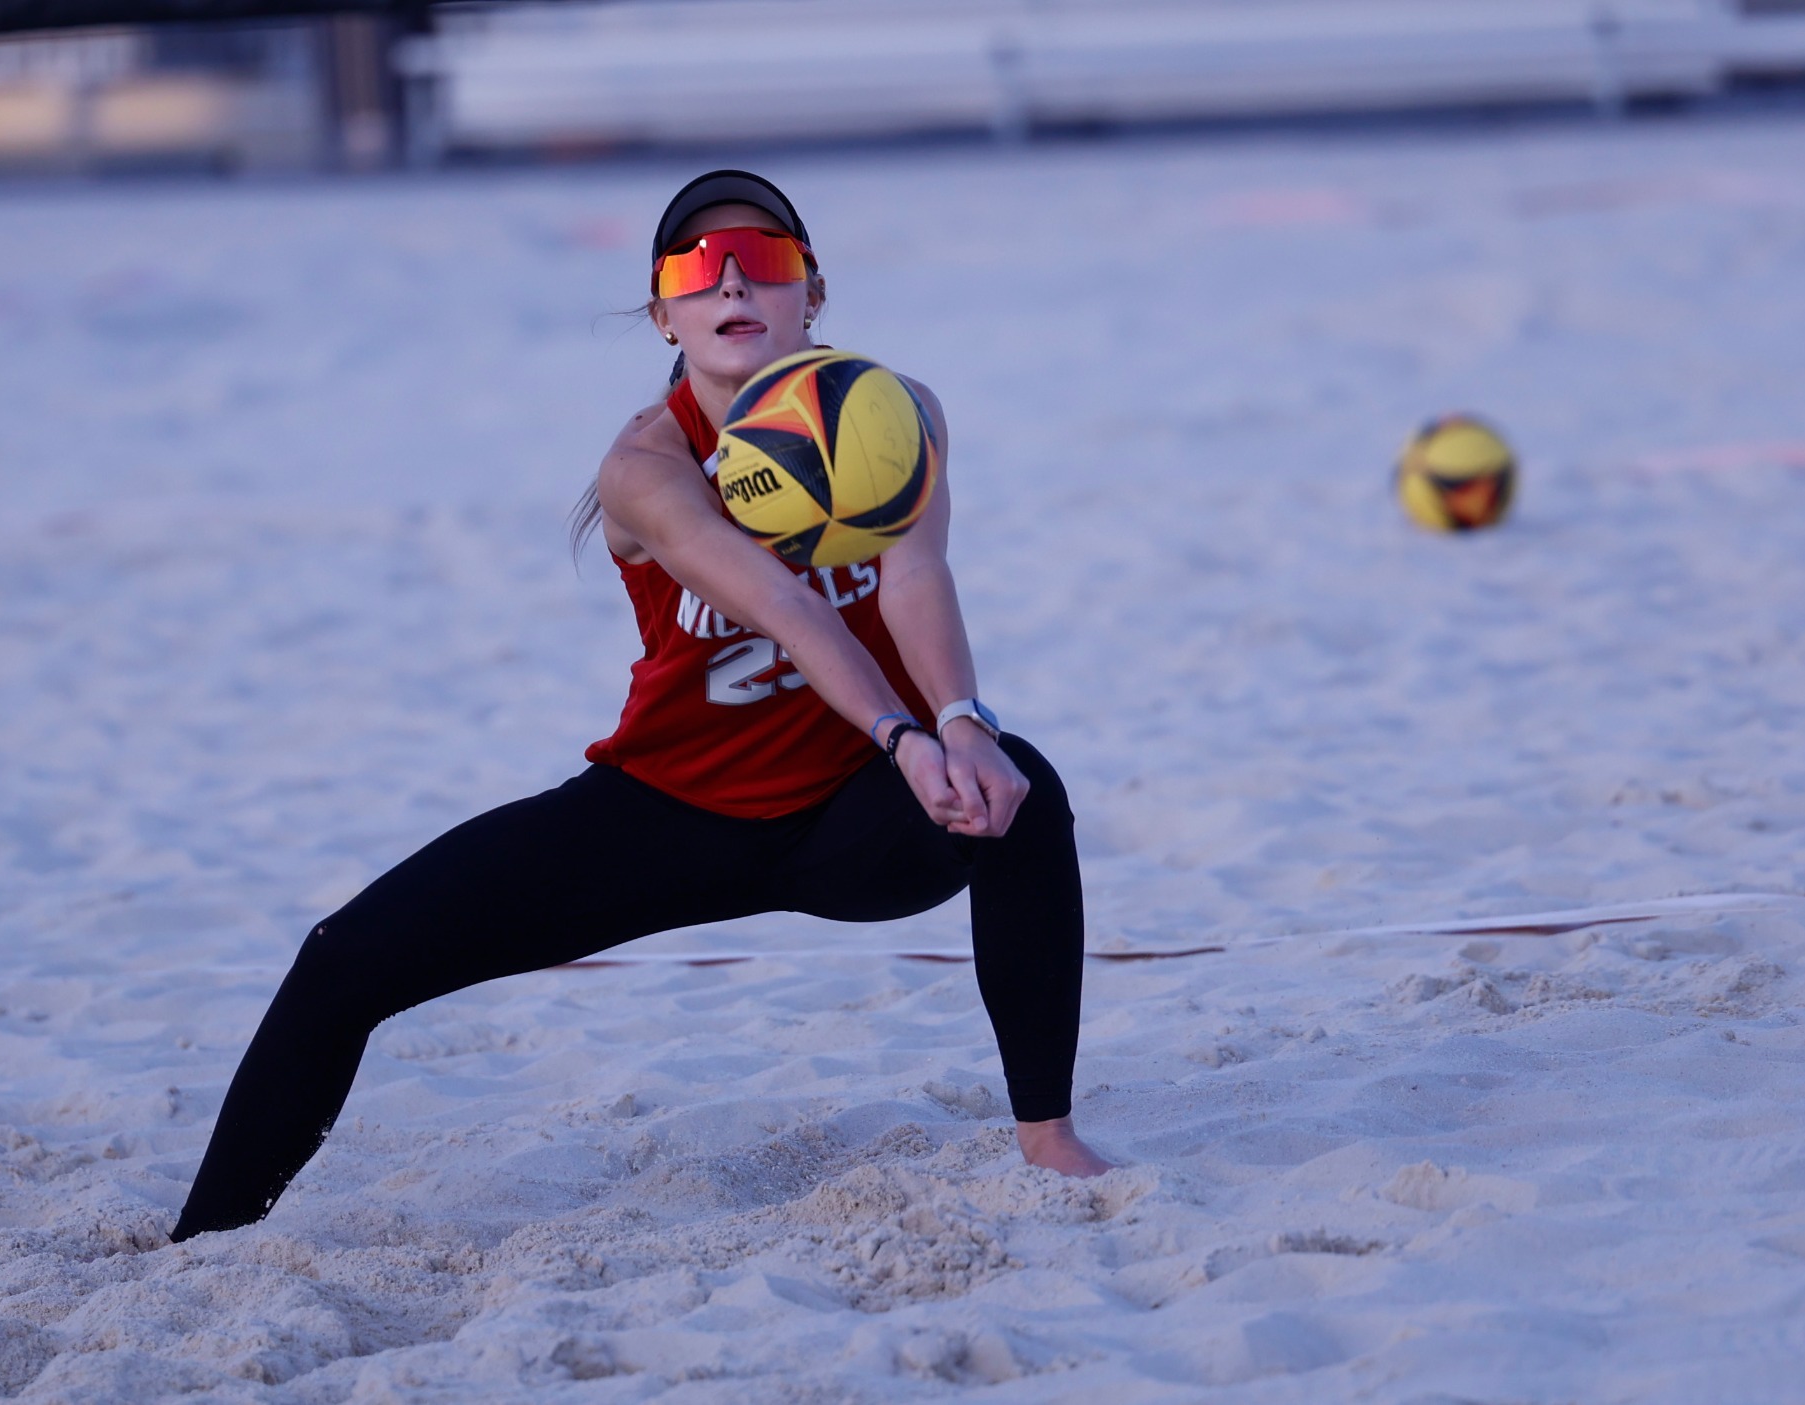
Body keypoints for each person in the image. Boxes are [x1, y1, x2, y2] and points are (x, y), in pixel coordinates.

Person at [171, 170, 1109, 1242]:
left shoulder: (896, 413)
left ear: (811, 293)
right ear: (662, 313)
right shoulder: (644, 466)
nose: (730, 283)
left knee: (1019, 785)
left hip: (852, 814)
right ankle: (201, 1246)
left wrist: (955, 721)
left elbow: (912, 577)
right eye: (694, 271)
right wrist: (903, 729)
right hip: (670, 810)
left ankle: (1048, 1139)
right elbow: (794, 608)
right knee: (343, 960)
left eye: (762, 258)